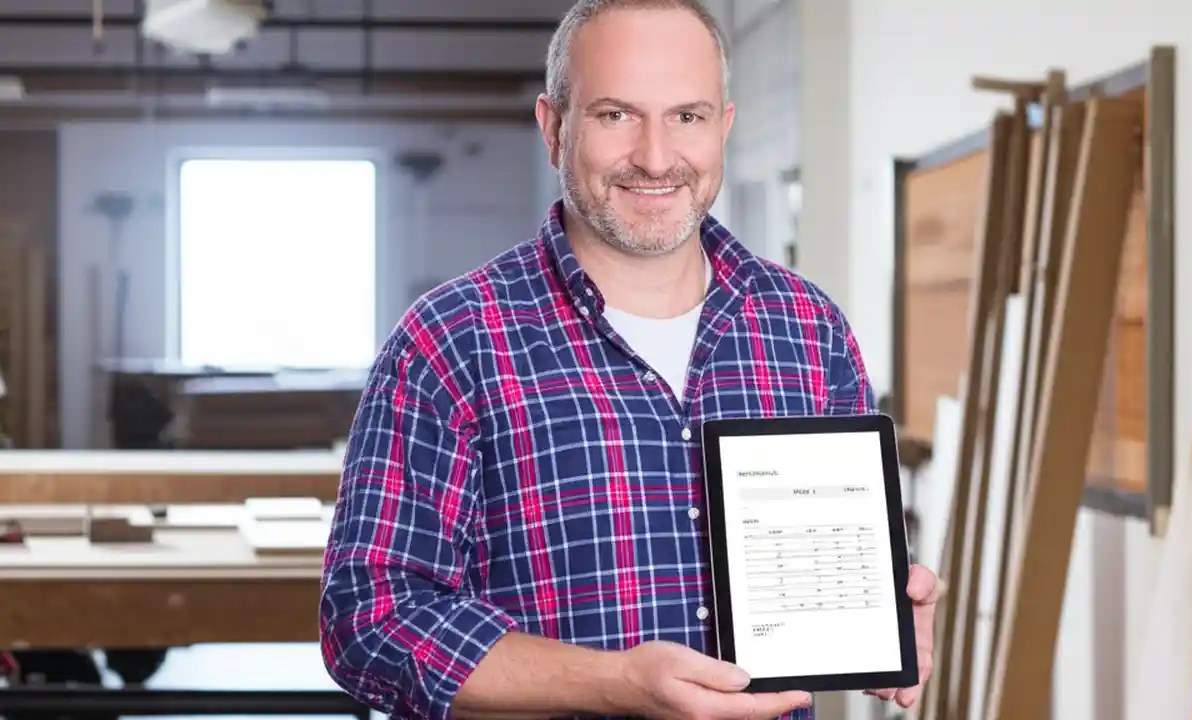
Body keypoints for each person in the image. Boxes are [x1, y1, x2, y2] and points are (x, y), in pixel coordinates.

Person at [319, 1, 940, 718]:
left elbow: (833, 568)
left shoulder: (808, 329)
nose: (655, 157)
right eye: (616, 115)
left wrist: (886, 610)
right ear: (554, 127)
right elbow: (369, 621)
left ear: (723, 127)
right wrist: (614, 682)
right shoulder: (451, 340)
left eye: (687, 116)